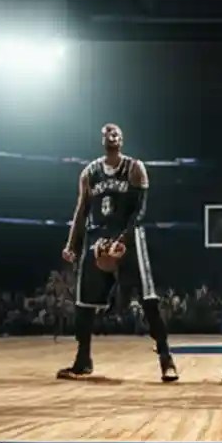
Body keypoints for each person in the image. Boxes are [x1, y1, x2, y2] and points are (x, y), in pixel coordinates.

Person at [58, 123, 178, 382]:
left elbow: (140, 211)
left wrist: (122, 239)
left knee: (149, 300)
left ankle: (166, 359)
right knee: (84, 303)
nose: (111, 136)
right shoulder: (89, 173)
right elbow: (81, 212)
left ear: (122, 139)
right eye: (107, 133)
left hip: (129, 235)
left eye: (115, 133)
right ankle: (82, 360)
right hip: (97, 236)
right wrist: (72, 245)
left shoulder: (135, 168)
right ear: (101, 139)